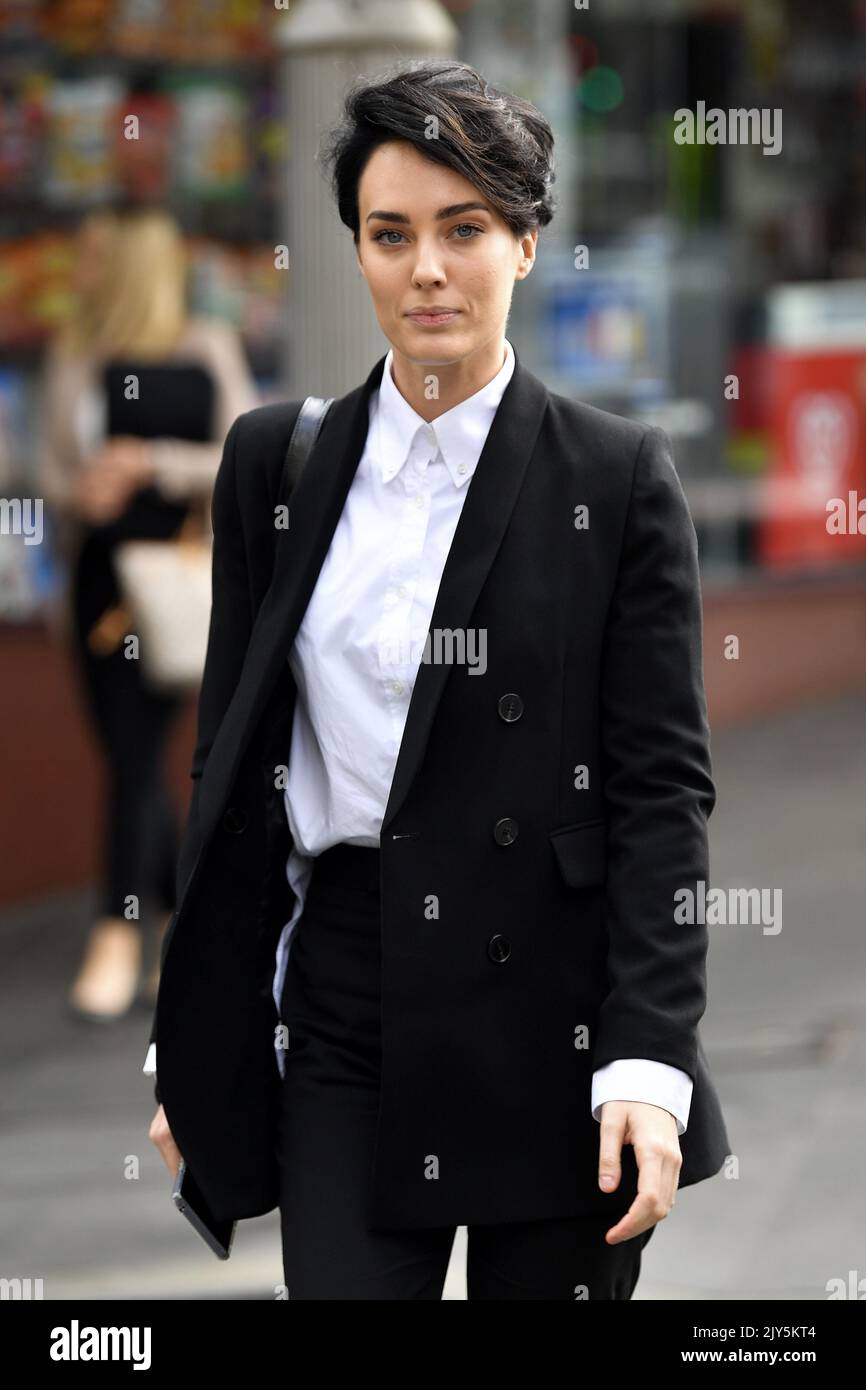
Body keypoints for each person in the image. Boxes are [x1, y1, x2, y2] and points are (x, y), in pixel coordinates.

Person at [147, 60, 731, 1300]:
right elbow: (232, 762)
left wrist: (643, 1061)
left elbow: (660, 794)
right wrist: (194, 1031)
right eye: (389, 233)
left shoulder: (616, 478)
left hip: (553, 1008)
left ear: (523, 242)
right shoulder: (276, 464)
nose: (426, 269)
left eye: (464, 229)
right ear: (354, 251)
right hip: (348, 1005)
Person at [37, 205, 259, 1021]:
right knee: (127, 755)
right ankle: (170, 927)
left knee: (136, 755)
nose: (81, 269)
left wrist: (147, 463)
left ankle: (113, 935)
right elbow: (52, 469)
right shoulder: (73, 353)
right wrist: (84, 486)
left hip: (171, 577)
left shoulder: (203, 345)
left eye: (95, 255)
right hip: (98, 588)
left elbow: (241, 452)